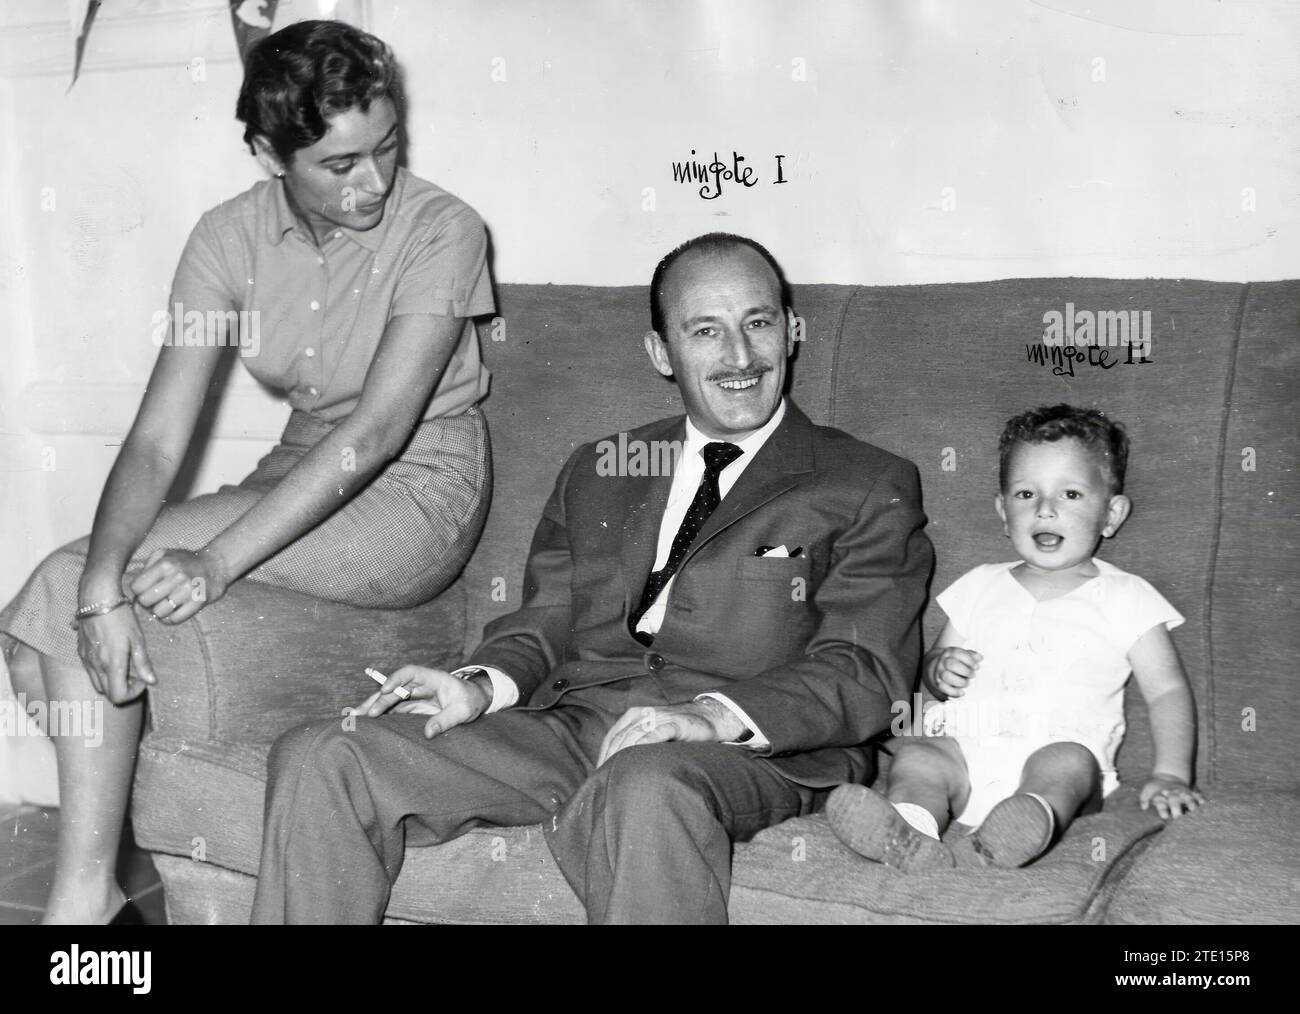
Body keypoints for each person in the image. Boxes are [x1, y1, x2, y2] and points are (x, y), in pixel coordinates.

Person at [250, 232, 934, 924]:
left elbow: (863, 670)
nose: (740, 357)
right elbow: (546, 619)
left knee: (645, 783)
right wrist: (477, 685)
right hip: (578, 729)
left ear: (790, 333)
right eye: (706, 331)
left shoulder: (867, 482)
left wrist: (705, 717)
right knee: (322, 753)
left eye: (758, 323)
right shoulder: (602, 466)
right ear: (661, 353)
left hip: (745, 753)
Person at [0, 20, 495, 924]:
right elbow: (156, 440)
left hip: (421, 483)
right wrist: (107, 582)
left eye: (386, 148)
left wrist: (214, 561)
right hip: (299, 465)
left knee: (71, 588)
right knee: (54, 624)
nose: (375, 181)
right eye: (339, 165)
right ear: (270, 154)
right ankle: (100, 888)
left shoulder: (445, 228)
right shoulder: (225, 240)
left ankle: (80, 904)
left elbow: (378, 432)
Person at [827, 404, 1204, 872]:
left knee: (1065, 762)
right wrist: (939, 670)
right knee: (921, 757)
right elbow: (937, 676)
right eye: (1026, 493)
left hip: (1061, 757)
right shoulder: (980, 584)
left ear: (1111, 513)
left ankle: (1023, 824)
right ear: (1004, 512)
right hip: (966, 751)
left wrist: (1170, 774)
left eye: (1070, 493)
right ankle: (911, 829)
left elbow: (1166, 690)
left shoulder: (1126, 596)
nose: (1045, 508)